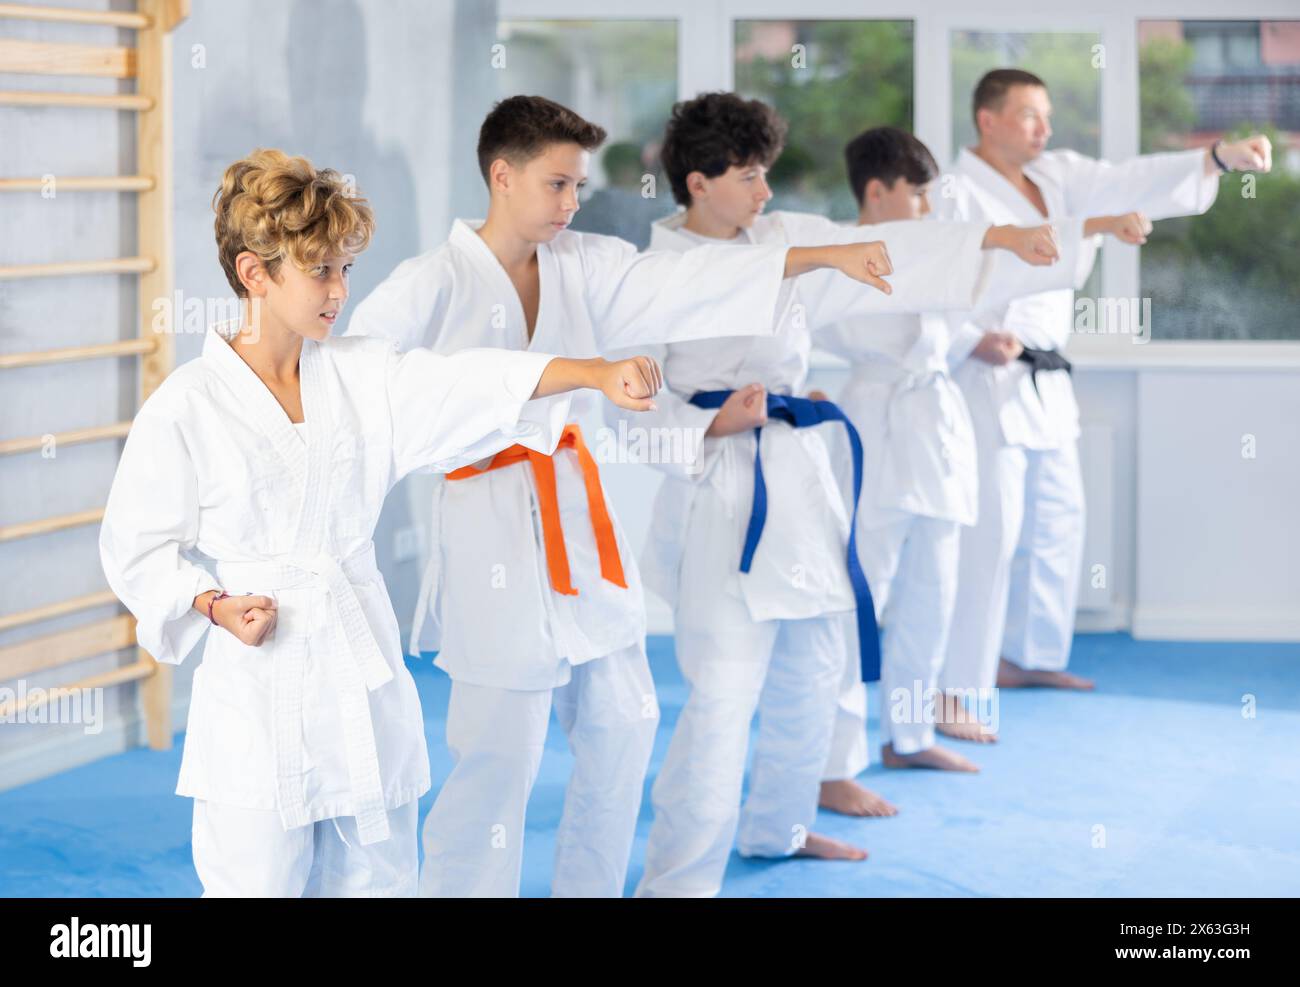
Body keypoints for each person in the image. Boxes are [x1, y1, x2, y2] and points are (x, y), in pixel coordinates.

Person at [345, 94, 906, 898]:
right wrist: (573, 376)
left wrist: (812, 258)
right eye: (557, 184)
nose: (572, 204)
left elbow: (680, 281)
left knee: (624, 723)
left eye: (579, 187)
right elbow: (379, 384)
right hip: (491, 523)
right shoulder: (427, 283)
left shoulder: (585, 262)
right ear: (502, 177)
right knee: (500, 752)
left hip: (578, 515)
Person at [98, 148, 662, 897]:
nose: (338, 291)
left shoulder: (363, 374)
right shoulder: (189, 403)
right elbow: (137, 545)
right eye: (319, 271)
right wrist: (212, 604)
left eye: (344, 269)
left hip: (359, 669)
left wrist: (591, 371)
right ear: (254, 273)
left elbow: (470, 381)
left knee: (381, 877)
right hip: (259, 684)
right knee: (253, 882)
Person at [617, 93, 1085, 897]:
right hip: (722, 487)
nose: (767, 194)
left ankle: (781, 825)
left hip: (800, 477)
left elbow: (888, 245)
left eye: (769, 174)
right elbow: (627, 410)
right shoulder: (653, 273)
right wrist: (710, 428)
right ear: (697, 182)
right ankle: (678, 879)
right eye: (750, 176)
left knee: (815, 666)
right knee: (727, 688)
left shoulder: (785, 236)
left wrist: (996, 237)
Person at [934, 69, 1273, 712]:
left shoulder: (1056, 174)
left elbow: (1130, 178)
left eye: (1048, 115)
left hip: (1046, 377)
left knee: (1060, 519)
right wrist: (967, 338)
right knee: (991, 534)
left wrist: (1216, 159)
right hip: (984, 374)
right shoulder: (954, 191)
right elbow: (940, 272)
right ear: (988, 118)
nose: (1045, 128)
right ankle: (958, 683)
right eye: (1030, 115)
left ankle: (1029, 656)